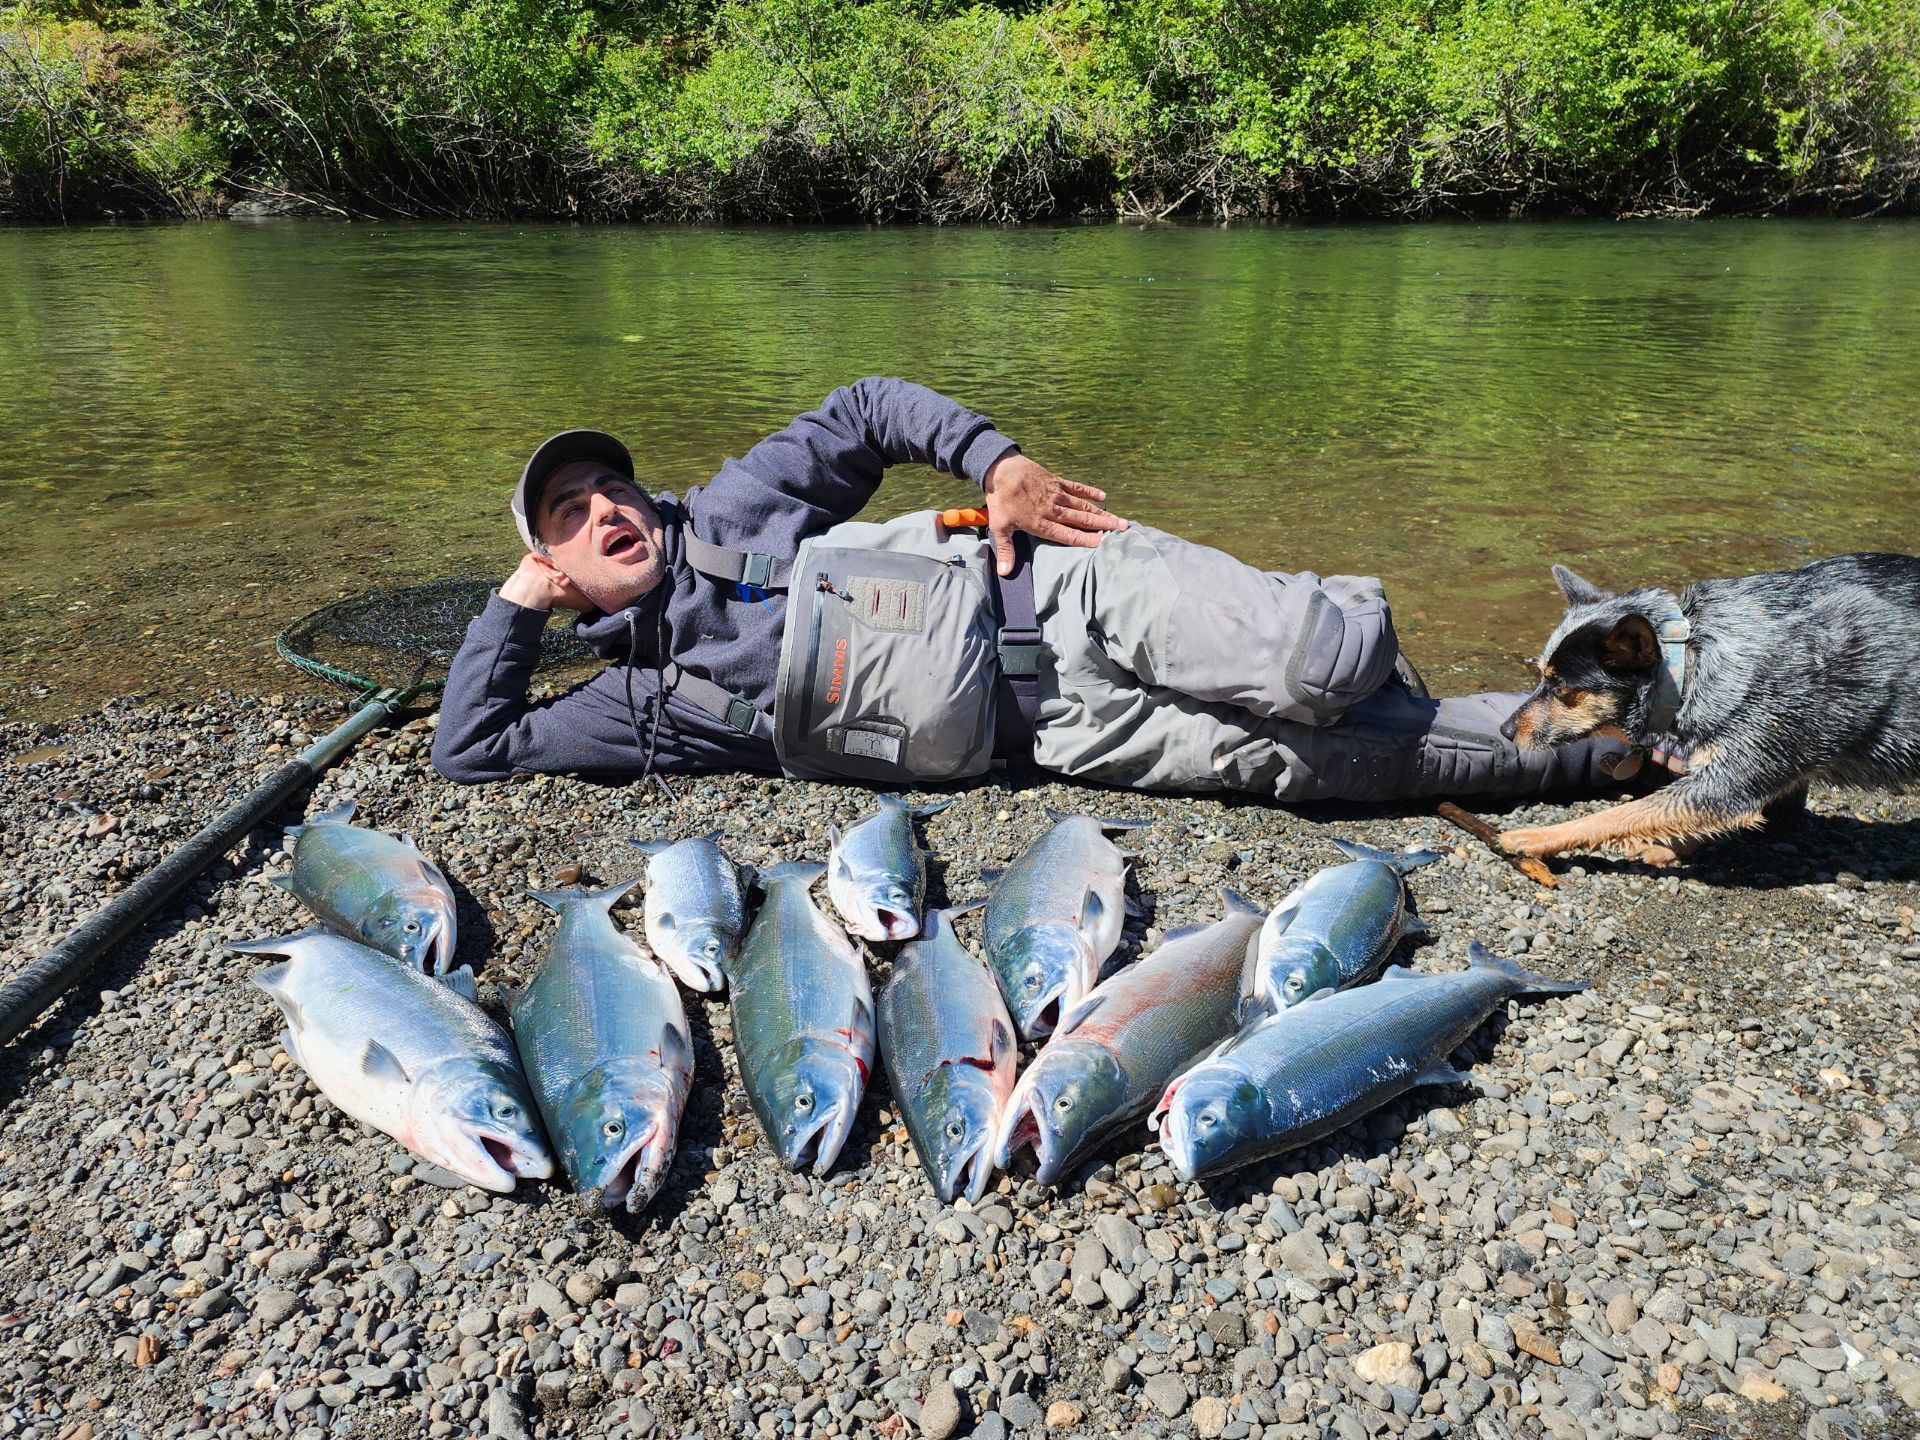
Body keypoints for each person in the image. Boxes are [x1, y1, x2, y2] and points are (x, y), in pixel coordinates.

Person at [432, 378, 1624, 799]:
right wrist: (512, 610)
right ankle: (1619, 744)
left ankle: (1350, 618)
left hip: (1061, 591)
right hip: (1060, 733)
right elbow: (470, 752)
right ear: (563, 570)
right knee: (1369, 764)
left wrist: (997, 463)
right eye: (568, 521)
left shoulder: (732, 510)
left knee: (1325, 667)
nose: (604, 514)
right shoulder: (620, 708)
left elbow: (865, 405)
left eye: (611, 491)